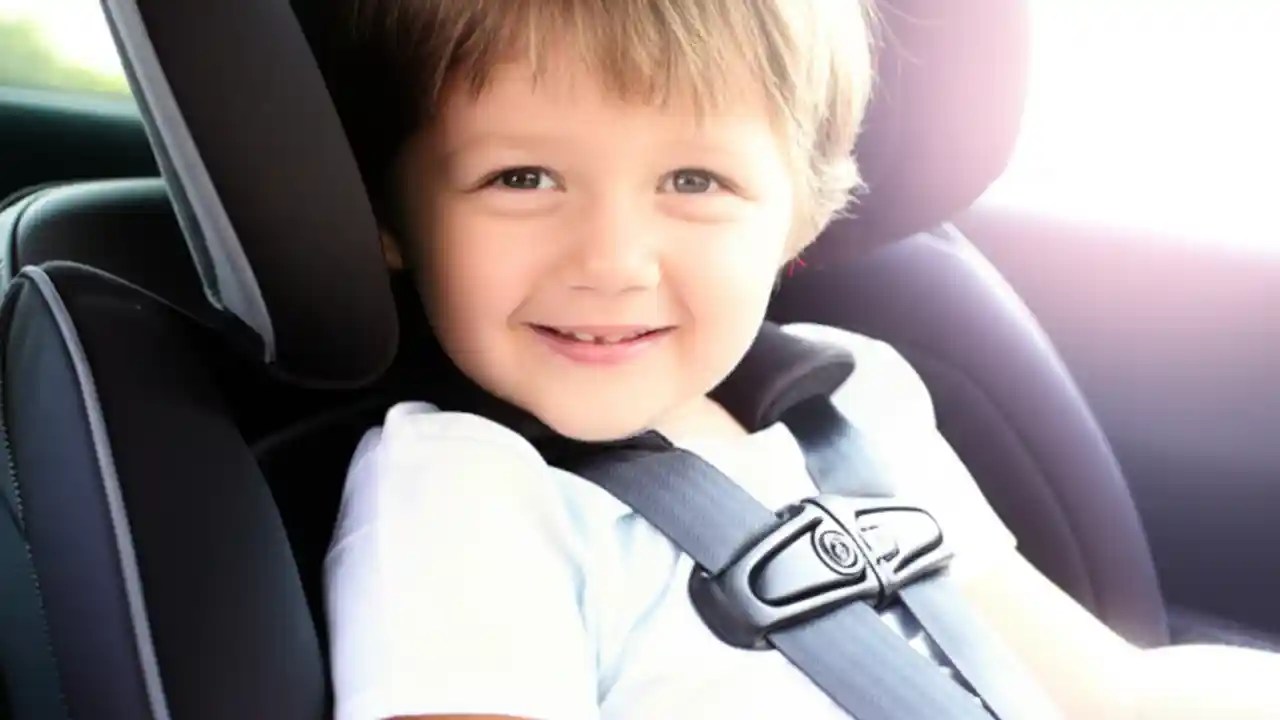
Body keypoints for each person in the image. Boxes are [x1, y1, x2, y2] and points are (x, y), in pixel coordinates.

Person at [315, 1, 1280, 718]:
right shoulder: (461, 489)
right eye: (521, 178)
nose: (610, 262)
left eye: (694, 180)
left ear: (799, 218)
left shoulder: (858, 398)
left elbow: (1103, 693)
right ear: (391, 218)